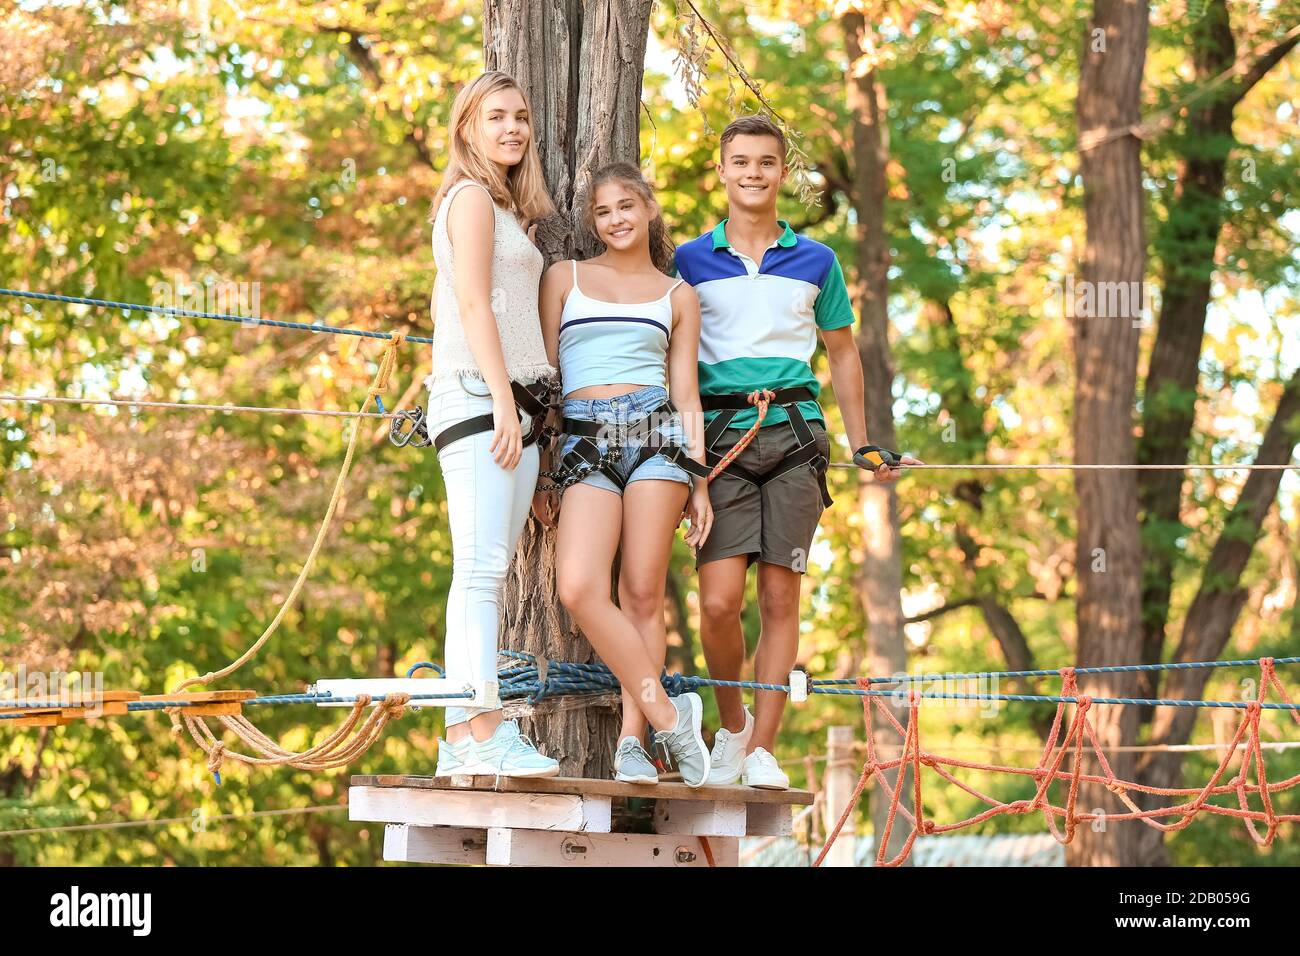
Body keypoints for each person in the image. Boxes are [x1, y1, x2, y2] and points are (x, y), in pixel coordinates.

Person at [673, 115, 921, 789]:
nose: (754, 173)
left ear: (783, 173)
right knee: (721, 602)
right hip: (718, 442)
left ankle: (763, 751)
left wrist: (864, 440)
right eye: (741, 162)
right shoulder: (689, 260)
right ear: (721, 172)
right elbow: (671, 354)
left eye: (767, 162)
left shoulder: (817, 261)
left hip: (795, 436)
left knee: (780, 599)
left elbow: (843, 353)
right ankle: (732, 729)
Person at [536, 162, 715, 787]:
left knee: (643, 592)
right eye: (604, 211)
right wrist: (540, 468)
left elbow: (687, 393)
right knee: (580, 587)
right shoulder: (565, 278)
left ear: (649, 210)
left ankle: (635, 743)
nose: (616, 219)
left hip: (655, 430)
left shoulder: (678, 295)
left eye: (626, 207)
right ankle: (672, 714)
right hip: (584, 435)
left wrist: (701, 482)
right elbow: (546, 380)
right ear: (593, 221)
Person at [425, 71, 561, 778]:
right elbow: (475, 307)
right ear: (467, 129)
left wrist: (527, 416)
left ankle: (463, 736)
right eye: (496, 116)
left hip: (514, 408)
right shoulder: (471, 199)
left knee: (488, 572)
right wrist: (505, 404)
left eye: (521, 116)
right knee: (477, 573)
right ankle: (482, 730)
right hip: (480, 398)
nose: (512, 128)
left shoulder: (505, 211)